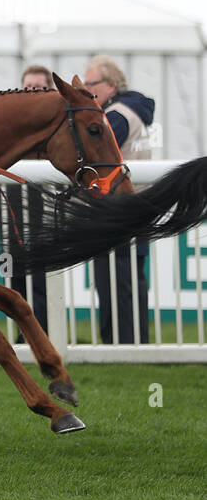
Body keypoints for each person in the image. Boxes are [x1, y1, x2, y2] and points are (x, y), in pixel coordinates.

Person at [84, 55, 154, 344]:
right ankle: (134, 343)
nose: (87, 89)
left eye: (92, 83)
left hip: (116, 207)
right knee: (130, 280)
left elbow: (94, 154)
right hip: (134, 205)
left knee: (114, 280)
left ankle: (120, 345)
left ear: (111, 86)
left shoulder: (115, 116)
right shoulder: (133, 110)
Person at [0, 66, 55, 339]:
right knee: (15, 280)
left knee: (41, 281)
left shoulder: (54, 126)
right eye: (27, 86)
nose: (31, 92)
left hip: (43, 212)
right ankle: (25, 336)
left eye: (38, 87)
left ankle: (43, 334)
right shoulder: (9, 123)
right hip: (11, 210)